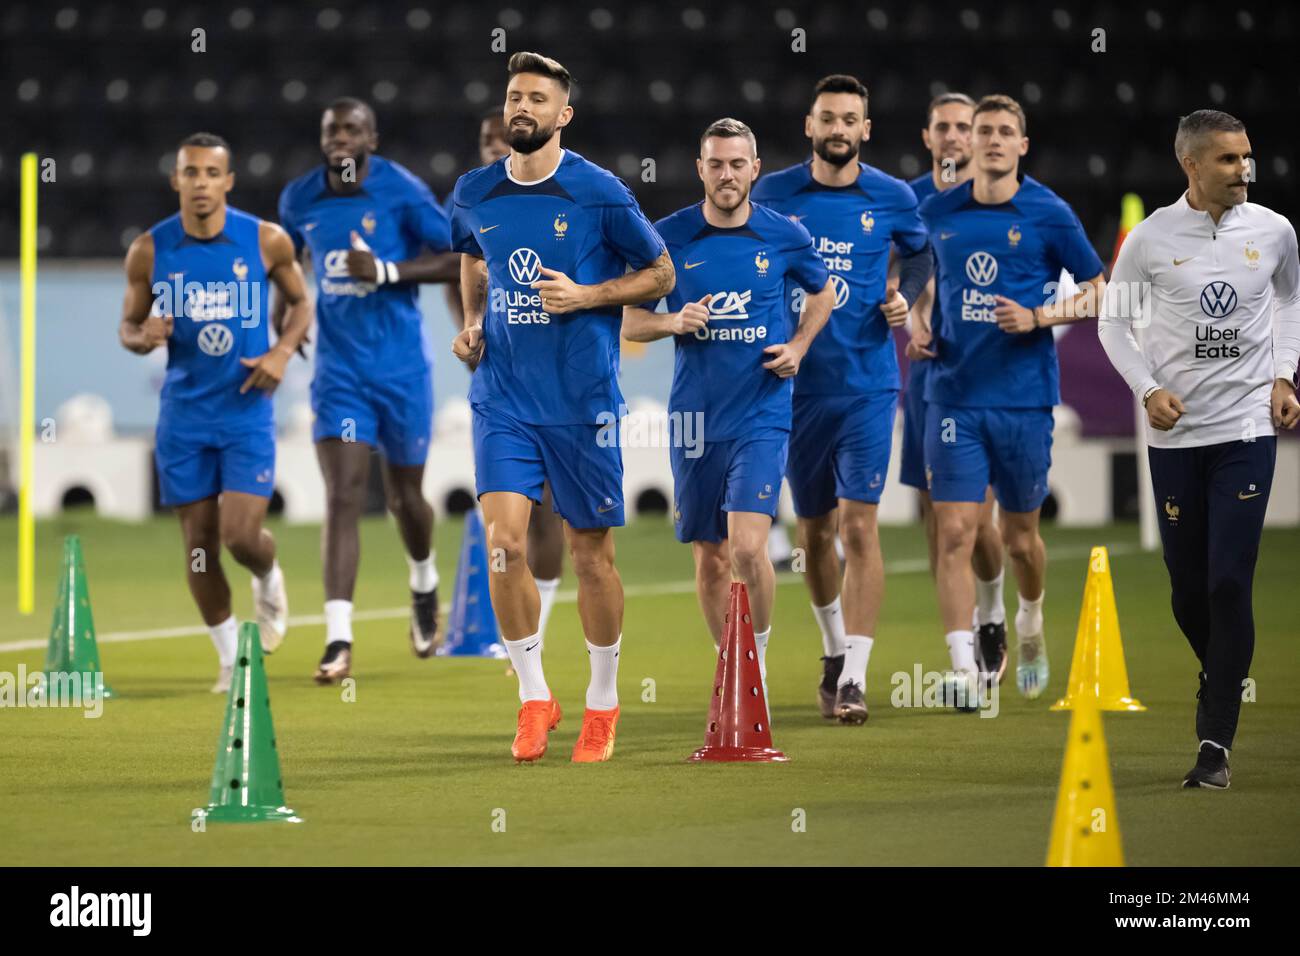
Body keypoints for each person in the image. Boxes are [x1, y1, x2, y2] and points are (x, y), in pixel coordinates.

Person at [449, 52, 674, 762]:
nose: (522, 107)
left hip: (582, 402)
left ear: (562, 116)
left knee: (590, 556)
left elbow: (660, 272)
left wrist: (587, 296)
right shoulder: (473, 191)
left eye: (537, 99)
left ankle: (603, 704)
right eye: (515, 96)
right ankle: (534, 697)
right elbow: (471, 256)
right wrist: (473, 321)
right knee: (504, 545)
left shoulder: (600, 192)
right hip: (503, 397)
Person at [1099, 109, 1300, 788]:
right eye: (1228, 159)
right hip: (1176, 436)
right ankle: (1218, 674)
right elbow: (1113, 324)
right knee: (1187, 589)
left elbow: (1289, 302)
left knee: (1227, 579)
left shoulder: (1275, 231)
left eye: (1248, 156)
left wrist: (1283, 374)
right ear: (1190, 164)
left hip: (1245, 429)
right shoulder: (1151, 239)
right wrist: (1148, 389)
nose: (1244, 169)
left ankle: (1215, 743)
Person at [622, 117, 834, 713]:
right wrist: (672, 321)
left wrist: (797, 347)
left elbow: (823, 292)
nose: (726, 174)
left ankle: (754, 668)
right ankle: (730, 669)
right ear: (700, 169)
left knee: (747, 549)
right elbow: (626, 318)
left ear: (754, 168)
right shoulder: (666, 240)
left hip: (762, 414)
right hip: (693, 422)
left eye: (737, 164)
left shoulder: (784, 235)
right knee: (710, 555)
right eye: (716, 164)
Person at [751, 75, 933, 723]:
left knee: (860, 526)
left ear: (865, 130)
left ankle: (855, 676)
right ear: (809, 125)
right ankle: (832, 651)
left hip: (867, 384)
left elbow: (919, 254)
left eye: (849, 119)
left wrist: (904, 297)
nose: (837, 128)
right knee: (814, 531)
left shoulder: (892, 195)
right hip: (795, 388)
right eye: (826, 117)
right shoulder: (770, 194)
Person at [918, 94, 1106, 708]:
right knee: (954, 531)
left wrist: (1040, 315)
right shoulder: (938, 209)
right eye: (983, 131)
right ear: (966, 143)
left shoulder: (1049, 213)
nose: (993, 139)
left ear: (1022, 145)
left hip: (1024, 400)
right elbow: (917, 277)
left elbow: (1101, 293)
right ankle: (965, 672)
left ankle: (1026, 618)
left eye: (1005, 131)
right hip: (953, 396)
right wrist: (917, 321)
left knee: (1020, 536)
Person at [120, 132, 311, 692]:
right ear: (175, 180)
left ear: (227, 181)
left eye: (211, 173)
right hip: (183, 417)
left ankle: (268, 573)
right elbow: (128, 326)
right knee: (199, 547)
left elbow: (301, 302)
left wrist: (280, 352)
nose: (200, 183)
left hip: (246, 409)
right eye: (190, 172)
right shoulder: (150, 250)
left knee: (240, 537)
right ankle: (232, 659)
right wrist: (143, 335)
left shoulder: (266, 241)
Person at [276, 98, 457, 684]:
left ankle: (424, 581)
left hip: (402, 370)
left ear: (371, 139)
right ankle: (338, 639)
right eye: (332, 130)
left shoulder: (403, 192)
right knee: (343, 495)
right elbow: (289, 262)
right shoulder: (299, 197)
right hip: (340, 374)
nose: (341, 139)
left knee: (406, 497)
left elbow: (458, 258)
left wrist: (384, 272)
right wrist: (287, 313)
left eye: (352, 130)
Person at [445, 108, 567, 653]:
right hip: (501, 386)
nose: (495, 145)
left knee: (551, 509)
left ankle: (542, 613)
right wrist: (471, 326)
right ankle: (526, 647)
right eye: (485, 139)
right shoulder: (474, 203)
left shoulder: (564, 200)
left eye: (503, 137)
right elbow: (464, 270)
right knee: (506, 526)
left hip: (561, 383)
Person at [903, 92, 1009, 684]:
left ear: (976, 136)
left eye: (962, 127)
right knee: (937, 518)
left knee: (975, 520)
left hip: (985, 379)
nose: (952, 136)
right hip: (927, 377)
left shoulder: (999, 197)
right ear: (928, 137)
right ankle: (961, 647)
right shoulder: (911, 200)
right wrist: (913, 315)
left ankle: (991, 612)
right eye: (941, 126)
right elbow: (896, 271)